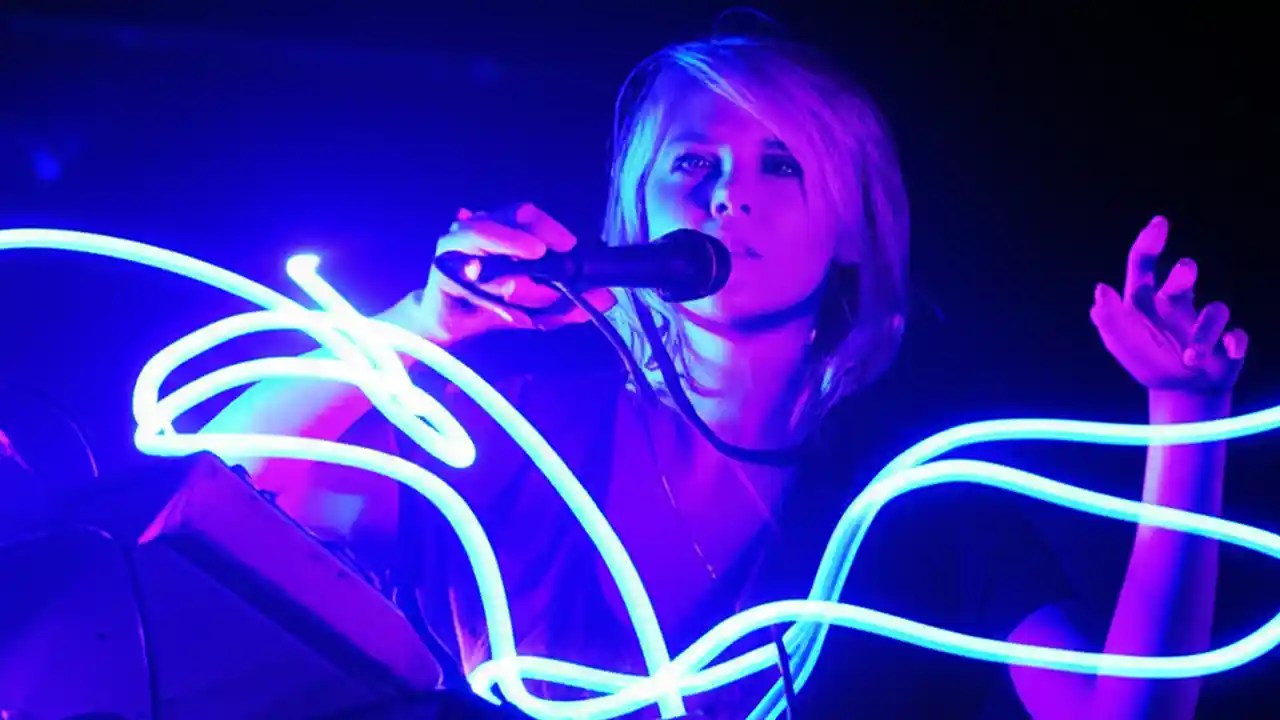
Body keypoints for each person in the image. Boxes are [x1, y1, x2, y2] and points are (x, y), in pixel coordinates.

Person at [201, 26, 1249, 720]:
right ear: (639, 207)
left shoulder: (918, 510)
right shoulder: (516, 422)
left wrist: (1182, 418)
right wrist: (421, 322)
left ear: (852, 226)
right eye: (691, 164)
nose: (726, 197)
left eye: (780, 166)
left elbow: (1129, 711)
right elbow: (224, 478)